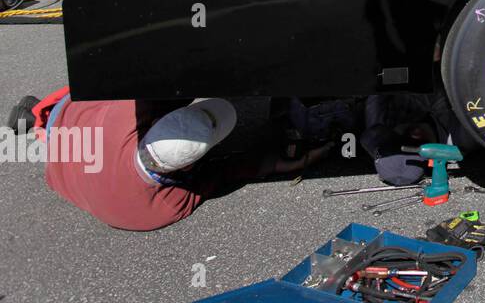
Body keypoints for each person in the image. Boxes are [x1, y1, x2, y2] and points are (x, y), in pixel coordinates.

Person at [36, 91, 328, 231]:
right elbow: (222, 173)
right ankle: (33, 115)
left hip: (62, 146)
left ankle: (32, 116)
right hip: (65, 124)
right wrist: (275, 164)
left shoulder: (125, 111)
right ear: (187, 167)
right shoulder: (163, 207)